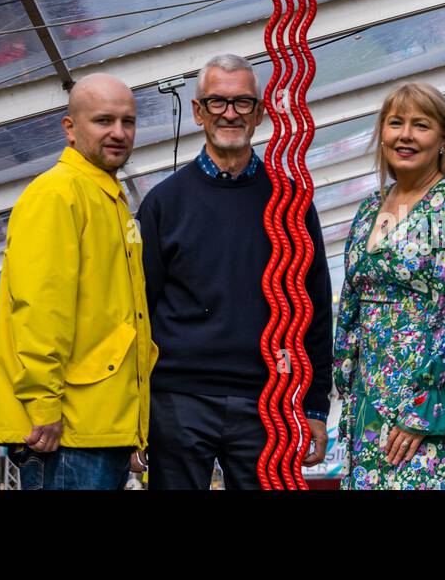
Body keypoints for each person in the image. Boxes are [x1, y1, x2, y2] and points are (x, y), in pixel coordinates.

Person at [139, 54, 333, 490]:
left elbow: (316, 309)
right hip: (178, 400)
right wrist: (134, 409)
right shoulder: (163, 204)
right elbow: (138, 314)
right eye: (217, 102)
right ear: (197, 111)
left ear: (260, 113)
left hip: (269, 403)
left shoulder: (292, 205)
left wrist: (315, 406)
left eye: (243, 103)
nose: (230, 113)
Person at [0, 73, 156, 490]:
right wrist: (44, 404)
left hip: (96, 425)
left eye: (128, 122)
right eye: (103, 121)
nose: (118, 133)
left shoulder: (107, 198)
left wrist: (135, 427)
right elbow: (39, 307)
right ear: (70, 128)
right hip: (66, 432)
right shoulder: (58, 194)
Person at [334, 81, 445, 490]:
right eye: (395, 123)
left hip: (430, 405)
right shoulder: (369, 208)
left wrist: (426, 408)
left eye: (420, 125)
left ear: (443, 138)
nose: (405, 135)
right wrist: (345, 383)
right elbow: (351, 302)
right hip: (371, 402)